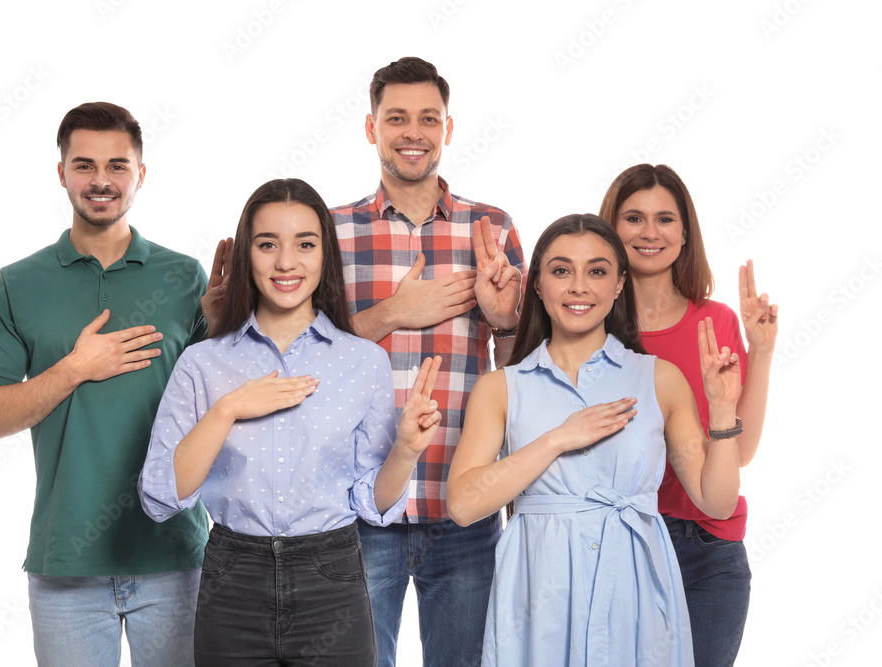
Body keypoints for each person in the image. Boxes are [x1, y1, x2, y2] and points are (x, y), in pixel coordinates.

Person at [138, 178, 444, 666]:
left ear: (325, 254)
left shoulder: (362, 361)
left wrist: (405, 451)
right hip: (232, 579)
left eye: (305, 244)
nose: (286, 262)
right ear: (247, 256)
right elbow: (162, 496)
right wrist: (228, 409)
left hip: (332, 578)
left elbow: (373, 503)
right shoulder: (202, 364)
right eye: (267, 245)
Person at [0, 102, 210, 666]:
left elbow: (219, 404)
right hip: (65, 567)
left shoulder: (185, 277)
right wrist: (75, 367)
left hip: (175, 557)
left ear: (140, 174)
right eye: (84, 165)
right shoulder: (17, 284)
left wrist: (227, 322)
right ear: (61, 173)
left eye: (118, 165)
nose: (101, 180)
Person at [447, 214, 745, 666]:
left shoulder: (659, 379)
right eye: (562, 270)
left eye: (598, 271)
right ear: (539, 285)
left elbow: (717, 502)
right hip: (539, 594)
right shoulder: (502, 387)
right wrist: (558, 439)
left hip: (635, 591)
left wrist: (722, 413)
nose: (579, 287)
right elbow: (464, 504)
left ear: (620, 284)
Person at [330, 56, 526, 667]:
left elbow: (517, 369)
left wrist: (505, 319)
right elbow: (306, 361)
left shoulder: (490, 227)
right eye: (396, 118)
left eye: (427, 118)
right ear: (371, 128)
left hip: (462, 505)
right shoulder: (330, 233)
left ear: (448, 128)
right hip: (359, 505)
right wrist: (391, 314)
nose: (412, 132)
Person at [599, 164, 778, 666]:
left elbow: (737, 452)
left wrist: (760, 353)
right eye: (633, 217)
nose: (650, 232)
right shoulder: (586, 326)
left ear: (684, 234)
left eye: (665, 219)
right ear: (610, 229)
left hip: (707, 552)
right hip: (618, 544)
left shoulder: (714, 322)